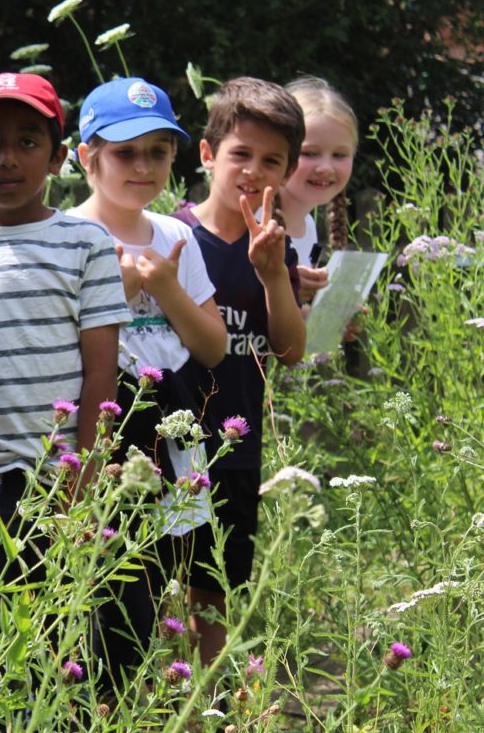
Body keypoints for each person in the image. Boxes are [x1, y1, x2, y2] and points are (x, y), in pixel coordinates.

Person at [0, 72, 129, 683]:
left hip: (56, 483)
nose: (7, 158)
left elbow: (101, 377)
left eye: (28, 142)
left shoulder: (86, 243)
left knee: (57, 657)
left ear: (57, 157)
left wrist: (87, 484)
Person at [68, 77, 227, 689]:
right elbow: (64, 342)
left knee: (170, 564)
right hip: (106, 415)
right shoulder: (69, 235)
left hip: (175, 417)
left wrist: (164, 286)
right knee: (109, 569)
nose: (143, 166)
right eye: (125, 152)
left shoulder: (175, 236)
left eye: (158, 152)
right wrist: (123, 290)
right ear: (87, 157)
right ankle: (103, 692)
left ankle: (162, 691)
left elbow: (212, 346)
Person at [172, 77, 307, 665]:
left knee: (216, 592)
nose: (253, 171)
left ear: (289, 172)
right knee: (159, 584)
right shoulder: (171, 236)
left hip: (237, 447)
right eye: (241, 154)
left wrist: (273, 273)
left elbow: (290, 350)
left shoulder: (277, 247)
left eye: (271, 161)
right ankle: (157, 695)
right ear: (208, 154)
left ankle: (212, 700)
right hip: (171, 448)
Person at [279, 76, 359, 303]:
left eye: (339, 155)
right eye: (309, 153)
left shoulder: (307, 226)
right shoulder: (252, 221)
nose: (325, 167)